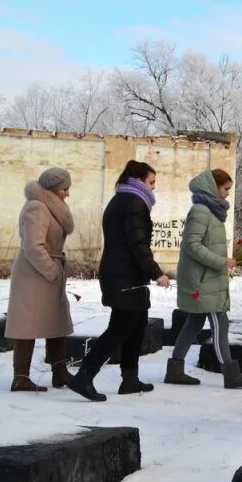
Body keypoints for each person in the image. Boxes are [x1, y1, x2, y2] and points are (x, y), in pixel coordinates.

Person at [68, 160, 170, 402]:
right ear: (139, 180)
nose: (154, 188)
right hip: (124, 276)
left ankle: (130, 379)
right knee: (119, 329)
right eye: (151, 182)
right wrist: (157, 272)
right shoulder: (134, 203)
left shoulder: (124, 199)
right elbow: (137, 244)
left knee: (137, 325)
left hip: (126, 275)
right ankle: (84, 376)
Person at [165, 169, 242, 389]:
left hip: (206, 279)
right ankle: (230, 374)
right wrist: (220, 261)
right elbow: (191, 245)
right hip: (203, 281)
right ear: (212, 187)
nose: (227, 194)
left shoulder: (210, 211)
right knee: (220, 323)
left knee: (194, 323)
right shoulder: (201, 211)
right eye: (225, 189)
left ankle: (175, 370)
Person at [6, 167, 76, 391]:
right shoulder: (37, 207)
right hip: (33, 275)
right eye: (65, 189)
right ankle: (20, 378)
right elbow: (33, 246)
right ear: (55, 189)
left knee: (56, 321)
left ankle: (60, 372)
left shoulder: (51, 207)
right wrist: (52, 271)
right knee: (27, 325)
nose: (67, 193)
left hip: (47, 273)